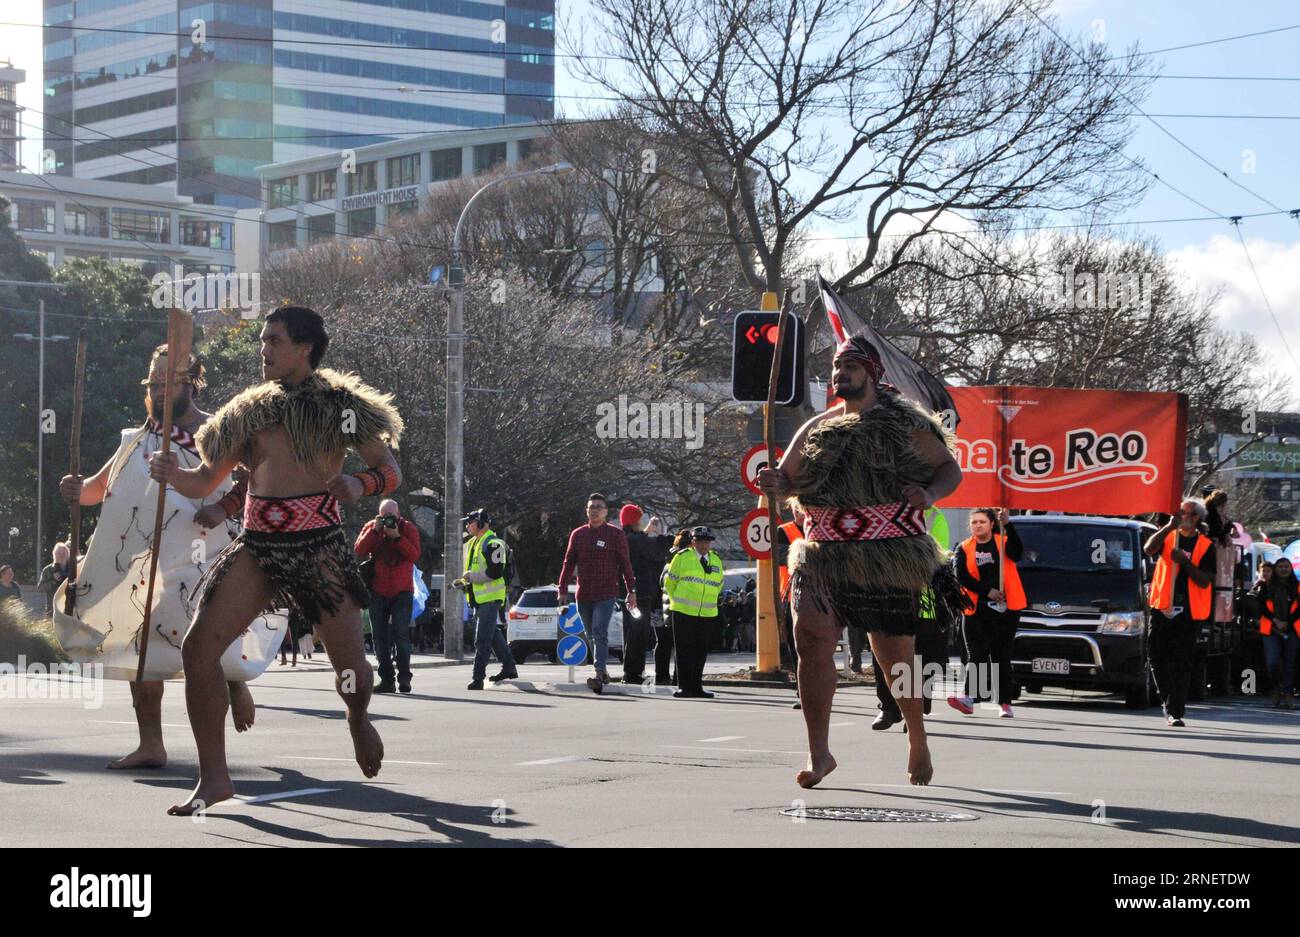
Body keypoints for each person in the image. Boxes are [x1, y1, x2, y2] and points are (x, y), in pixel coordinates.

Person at [147, 304, 402, 814]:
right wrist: (171, 474)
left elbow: (389, 470)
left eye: (275, 341)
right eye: (262, 340)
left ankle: (356, 717)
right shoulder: (247, 411)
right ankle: (214, 780)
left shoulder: (341, 405)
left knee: (350, 671)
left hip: (320, 547)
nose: (263, 349)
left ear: (305, 347)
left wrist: (361, 482)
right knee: (198, 649)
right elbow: (204, 482)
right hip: (259, 545)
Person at [758, 334, 963, 788]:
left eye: (850, 367)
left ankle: (917, 735)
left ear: (871, 374)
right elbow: (785, 481)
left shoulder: (906, 424)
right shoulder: (815, 429)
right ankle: (819, 753)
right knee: (810, 640)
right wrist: (774, 482)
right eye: (835, 368)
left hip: (888, 556)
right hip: (821, 555)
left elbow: (950, 470)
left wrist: (929, 493)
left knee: (895, 658)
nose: (840, 375)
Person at [55, 345, 257, 770]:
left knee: (210, 644)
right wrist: (78, 489)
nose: (161, 392)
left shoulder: (217, 431)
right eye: (155, 385)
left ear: (192, 383)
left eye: (170, 383)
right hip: (143, 566)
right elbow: (97, 487)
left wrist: (220, 509)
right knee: (138, 651)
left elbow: (252, 486)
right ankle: (151, 744)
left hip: (201, 559)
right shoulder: (136, 440)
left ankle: (235, 681)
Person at [1143, 498, 1216, 728]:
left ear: (1197, 518)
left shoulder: (1206, 545)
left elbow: (1205, 581)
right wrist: (1167, 527)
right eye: (1181, 512)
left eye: (1188, 513)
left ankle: (1175, 711)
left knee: (1181, 662)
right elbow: (1149, 549)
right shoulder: (1169, 537)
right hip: (1162, 606)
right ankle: (1167, 700)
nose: (1184, 516)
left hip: (1188, 610)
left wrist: (1185, 563)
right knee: (1155, 655)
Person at [947, 508, 1024, 718]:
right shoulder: (964, 548)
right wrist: (987, 591)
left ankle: (1004, 703)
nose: (978, 525)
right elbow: (961, 576)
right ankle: (970, 697)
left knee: (1001, 656)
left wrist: (1008, 524)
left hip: (1005, 610)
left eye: (982, 521)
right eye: (974, 522)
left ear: (992, 524)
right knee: (976, 655)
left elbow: (1018, 553)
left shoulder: (1003, 541)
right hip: (976, 609)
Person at [557, 492, 637, 693]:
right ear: (587, 510)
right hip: (584, 594)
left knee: (599, 632)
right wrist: (562, 590)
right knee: (591, 634)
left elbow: (626, 565)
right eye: (591, 507)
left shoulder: (615, 535)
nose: (595, 511)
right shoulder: (578, 534)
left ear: (606, 511)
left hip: (607, 592)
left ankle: (599, 672)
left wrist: (631, 591)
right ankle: (603, 671)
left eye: (598, 507)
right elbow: (568, 564)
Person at [355, 498, 421, 694]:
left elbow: (414, 555)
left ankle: (404, 678)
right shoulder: (372, 527)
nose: (387, 521)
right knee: (379, 637)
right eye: (384, 517)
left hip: (403, 590)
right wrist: (375, 531)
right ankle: (387, 679)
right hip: (378, 589)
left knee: (401, 635)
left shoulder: (408, 528)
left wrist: (397, 537)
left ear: (398, 514)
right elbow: (359, 549)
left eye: (391, 516)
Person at [455, 509, 517, 690]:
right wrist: (463, 583)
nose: (467, 525)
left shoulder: (493, 542)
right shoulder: (473, 542)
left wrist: (471, 577)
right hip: (479, 599)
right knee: (493, 635)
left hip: (490, 598)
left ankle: (477, 678)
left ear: (482, 523)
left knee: (481, 638)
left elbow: (495, 572)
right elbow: (473, 572)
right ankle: (509, 666)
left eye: (470, 521)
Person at [663, 527, 724, 698]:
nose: (704, 545)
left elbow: (719, 585)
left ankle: (697, 686)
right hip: (683, 611)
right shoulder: (682, 557)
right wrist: (678, 601)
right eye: (700, 541)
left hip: (707, 613)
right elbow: (670, 583)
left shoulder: (716, 560)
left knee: (701, 651)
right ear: (693, 542)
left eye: (707, 541)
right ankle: (684, 687)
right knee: (684, 650)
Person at [622, 503, 671, 684]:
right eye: (641, 519)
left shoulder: (628, 538)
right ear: (634, 520)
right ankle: (634, 673)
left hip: (633, 593)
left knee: (633, 633)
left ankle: (631, 672)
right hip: (641, 594)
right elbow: (656, 552)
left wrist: (647, 533)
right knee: (638, 634)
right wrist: (662, 536)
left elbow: (645, 546)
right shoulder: (635, 540)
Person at [1255, 557, 1298, 708]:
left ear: (1291, 569)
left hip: (1291, 629)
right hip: (1271, 629)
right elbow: (1261, 607)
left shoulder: (1297, 586)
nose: (1284, 569)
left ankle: (1287, 693)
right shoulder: (1266, 587)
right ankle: (1276, 688)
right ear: (1276, 569)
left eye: (1286, 567)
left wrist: (1288, 622)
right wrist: (1276, 621)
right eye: (1280, 567)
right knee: (1272, 662)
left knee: (1289, 662)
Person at [655, 528, 692, 686]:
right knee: (680, 645)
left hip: (664, 609)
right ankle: (678, 678)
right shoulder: (684, 561)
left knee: (664, 644)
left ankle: (661, 676)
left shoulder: (667, 561)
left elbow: (662, 584)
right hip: (679, 609)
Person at [38, 543, 72, 616]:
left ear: (68, 555)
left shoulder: (73, 569)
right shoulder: (47, 570)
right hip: (53, 610)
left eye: (63, 553)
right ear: (54, 555)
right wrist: (53, 582)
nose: (61, 556)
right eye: (59, 553)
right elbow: (40, 588)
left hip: (70, 608)